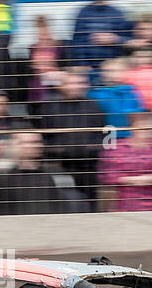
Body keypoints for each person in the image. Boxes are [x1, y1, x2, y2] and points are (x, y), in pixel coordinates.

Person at [40, 68, 107, 209]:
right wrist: (56, 150)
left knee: (90, 202)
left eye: (79, 83)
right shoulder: (50, 108)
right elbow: (44, 136)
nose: (75, 87)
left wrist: (96, 147)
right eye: (71, 83)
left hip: (89, 164)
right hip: (60, 165)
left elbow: (103, 132)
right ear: (61, 85)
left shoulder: (93, 106)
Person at [99, 112, 152, 212]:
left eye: (148, 125)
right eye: (141, 125)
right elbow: (107, 174)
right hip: (127, 202)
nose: (145, 128)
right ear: (132, 127)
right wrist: (131, 179)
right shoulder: (118, 147)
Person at [0, 130, 67, 215]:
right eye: (31, 142)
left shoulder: (47, 177)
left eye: (38, 142)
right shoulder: (4, 180)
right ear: (16, 146)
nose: (38, 145)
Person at [68, 0, 133, 71]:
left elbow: (129, 41)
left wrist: (114, 39)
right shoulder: (82, 12)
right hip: (88, 69)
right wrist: (81, 64)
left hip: (112, 69)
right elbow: (77, 42)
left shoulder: (118, 13)